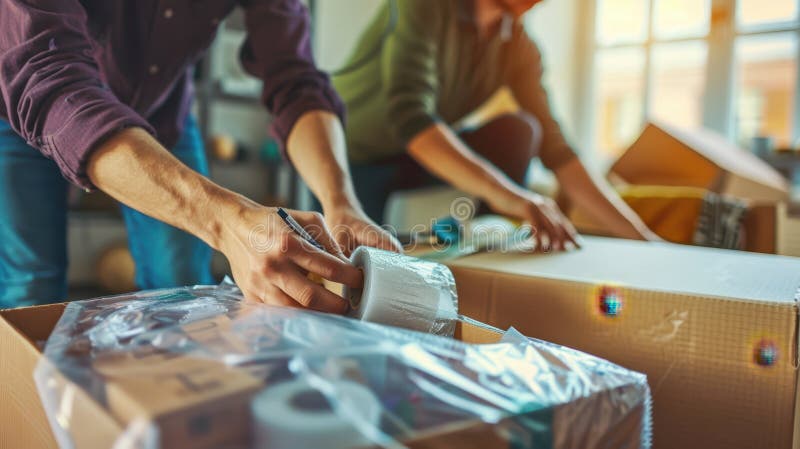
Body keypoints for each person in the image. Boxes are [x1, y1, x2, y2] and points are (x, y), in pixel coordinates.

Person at [0, 0, 400, 309]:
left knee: (183, 289)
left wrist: (340, 202)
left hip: (159, 115)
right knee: (32, 288)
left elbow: (295, 79)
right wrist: (227, 223)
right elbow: (48, 75)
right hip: (26, 105)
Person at [334, 0, 660, 250]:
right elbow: (411, 118)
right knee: (358, 262)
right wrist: (510, 196)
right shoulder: (425, 7)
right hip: (350, 153)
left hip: (418, 154)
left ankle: (489, 246)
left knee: (520, 131)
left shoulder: (519, 47)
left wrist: (643, 239)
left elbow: (557, 150)